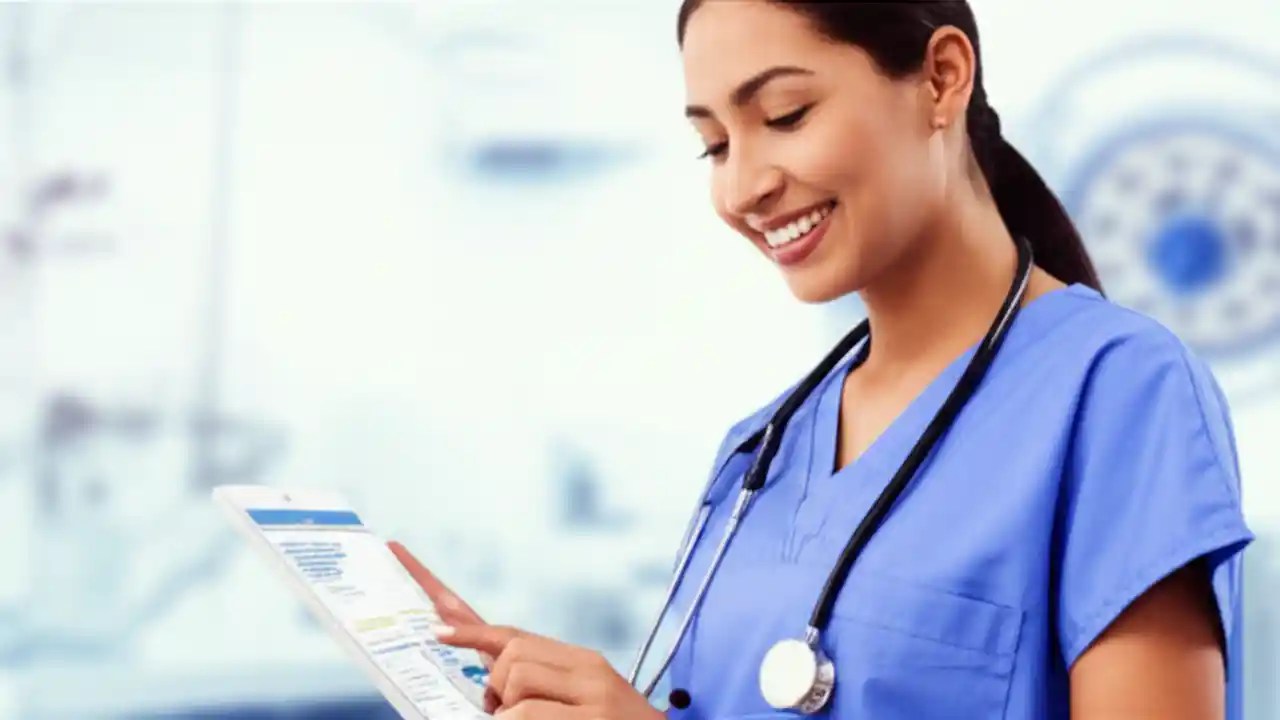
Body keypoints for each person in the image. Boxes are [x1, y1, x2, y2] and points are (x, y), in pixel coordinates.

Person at [390, 1, 1254, 718]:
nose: (741, 188)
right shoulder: (756, 456)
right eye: (716, 145)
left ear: (943, 79)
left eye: (785, 116)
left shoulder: (1117, 390)